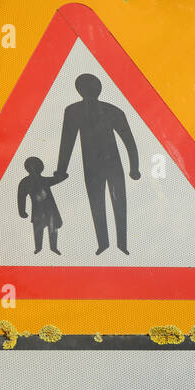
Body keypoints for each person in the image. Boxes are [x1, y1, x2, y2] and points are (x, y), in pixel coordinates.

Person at [55, 73, 139, 255]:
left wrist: (134, 167)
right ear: (79, 90)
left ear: (100, 88)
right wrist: (61, 170)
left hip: (114, 165)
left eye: (93, 87)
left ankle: (122, 244)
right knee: (97, 204)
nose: (90, 91)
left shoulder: (113, 110)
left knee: (119, 203)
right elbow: (66, 142)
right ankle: (103, 244)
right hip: (92, 167)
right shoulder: (73, 111)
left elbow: (129, 141)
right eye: (85, 87)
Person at [17, 156, 66, 255]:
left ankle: (53, 247)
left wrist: (62, 176)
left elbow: (56, 180)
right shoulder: (25, 182)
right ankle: (38, 248)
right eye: (32, 167)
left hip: (50, 209)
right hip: (38, 210)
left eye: (36, 166)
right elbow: (21, 197)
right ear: (28, 168)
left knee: (52, 229)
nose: (34, 169)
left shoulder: (43, 180)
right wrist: (22, 211)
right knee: (38, 230)